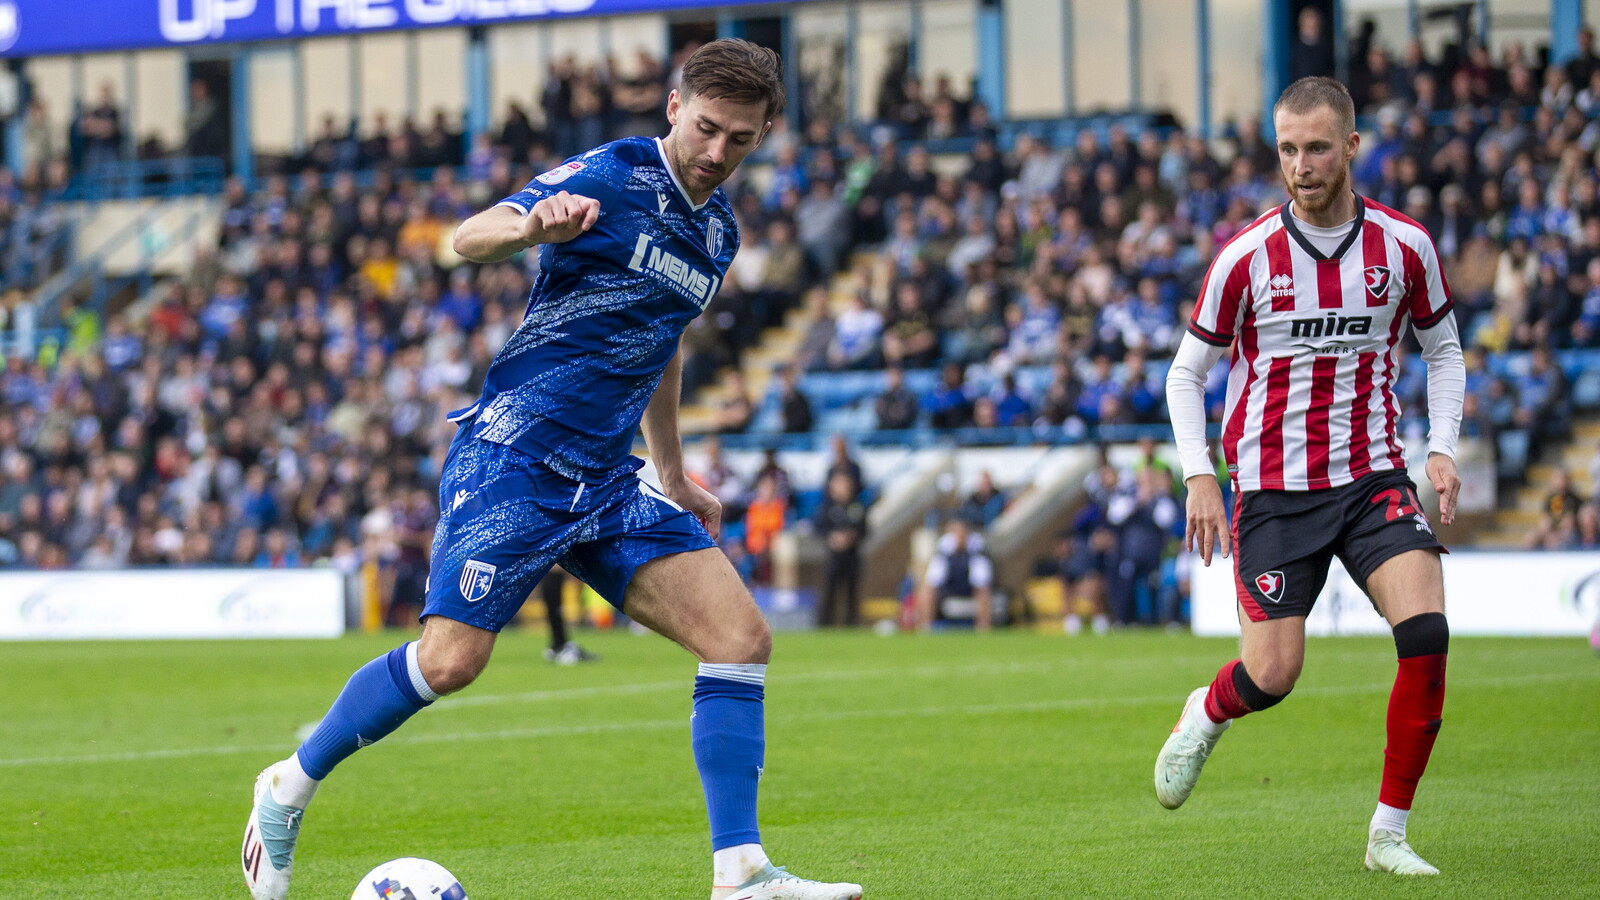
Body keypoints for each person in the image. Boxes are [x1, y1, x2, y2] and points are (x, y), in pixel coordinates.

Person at [242, 40, 862, 900]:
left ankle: (742, 874)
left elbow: (663, 340)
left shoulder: (718, 233)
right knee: (451, 663)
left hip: (607, 478)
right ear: (674, 108)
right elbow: (470, 235)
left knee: (740, 640)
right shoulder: (612, 174)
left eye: (741, 139)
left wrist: (673, 472)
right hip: (517, 458)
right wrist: (532, 227)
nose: (718, 152)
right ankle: (287, 786)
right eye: (707, 128)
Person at [1158, 77, 1464, 876]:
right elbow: (1186, 374)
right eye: (1288, 149)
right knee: (1273, 674)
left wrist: (1442, 446)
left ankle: (1388, 834)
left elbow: (1443, 351)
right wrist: (1199, 476)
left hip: (1372, 477)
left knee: (1426, 633)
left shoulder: (1404, 247)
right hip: (1273, 490)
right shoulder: (1245, 256)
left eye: (1318, 148)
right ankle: (1208, 709)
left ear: (1351, 147)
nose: (1301, 165)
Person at [917, 517, 995, 631]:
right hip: (949, 588)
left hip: (969, 589)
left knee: (983, 591)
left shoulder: (977, 549)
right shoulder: (944, 549)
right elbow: (933, 579)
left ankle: (983, 628)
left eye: (962, 532)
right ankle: (925, 627)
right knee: (926, 590)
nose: (960, 536)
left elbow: (981, 580)